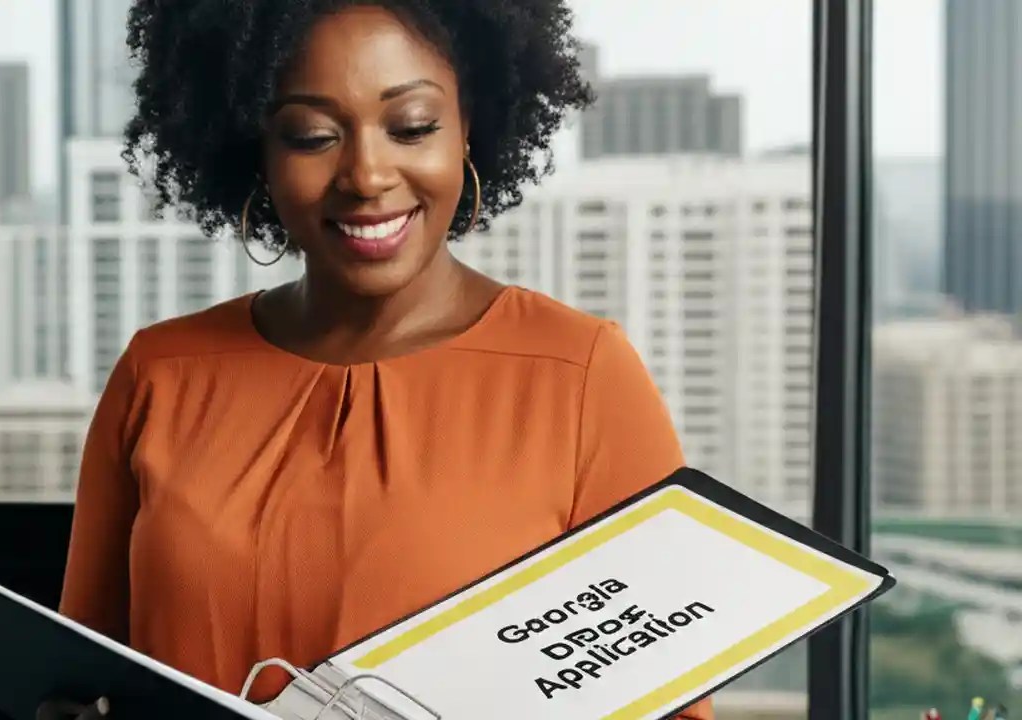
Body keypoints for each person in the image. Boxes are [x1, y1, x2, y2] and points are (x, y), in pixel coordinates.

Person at [40, 1, 714, 718]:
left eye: (413, 127)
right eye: (311, 136)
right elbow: (76, 679)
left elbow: (667, 703)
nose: (366, 175)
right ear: (255, 152)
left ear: (468, 132)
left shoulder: (582, 375)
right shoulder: (161, 371)